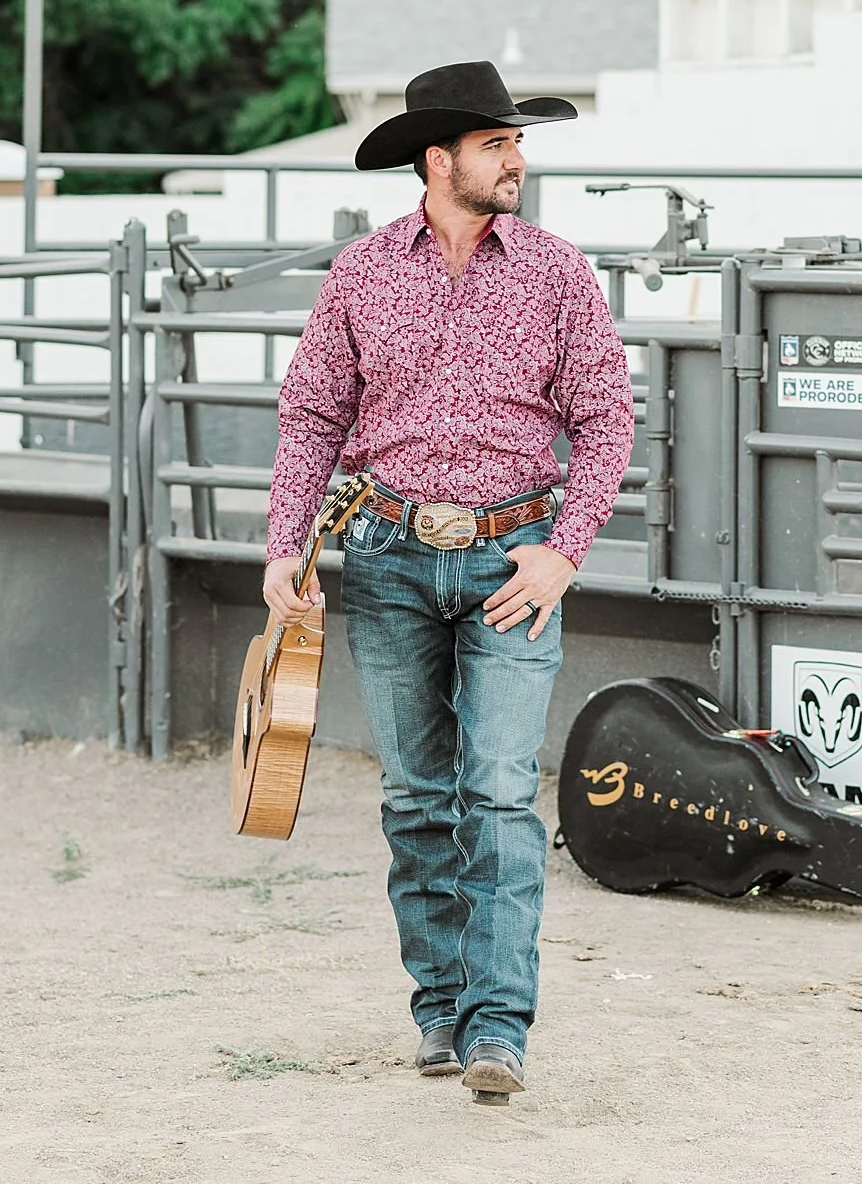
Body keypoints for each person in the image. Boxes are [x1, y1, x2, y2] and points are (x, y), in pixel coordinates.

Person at [263, 60, 636, 1104]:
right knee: (418, 794)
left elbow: (607, 416)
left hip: (513, 560)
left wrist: (566, 549)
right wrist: (282, 548)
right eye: (498, 144)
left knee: (502, 790)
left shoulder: (560, 273)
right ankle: (439, 1005)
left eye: (518, 143)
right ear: (439, 160)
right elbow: (312, 414)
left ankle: (498, 1027)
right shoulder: (362, 273)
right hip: (383, 555)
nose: (517, 160)